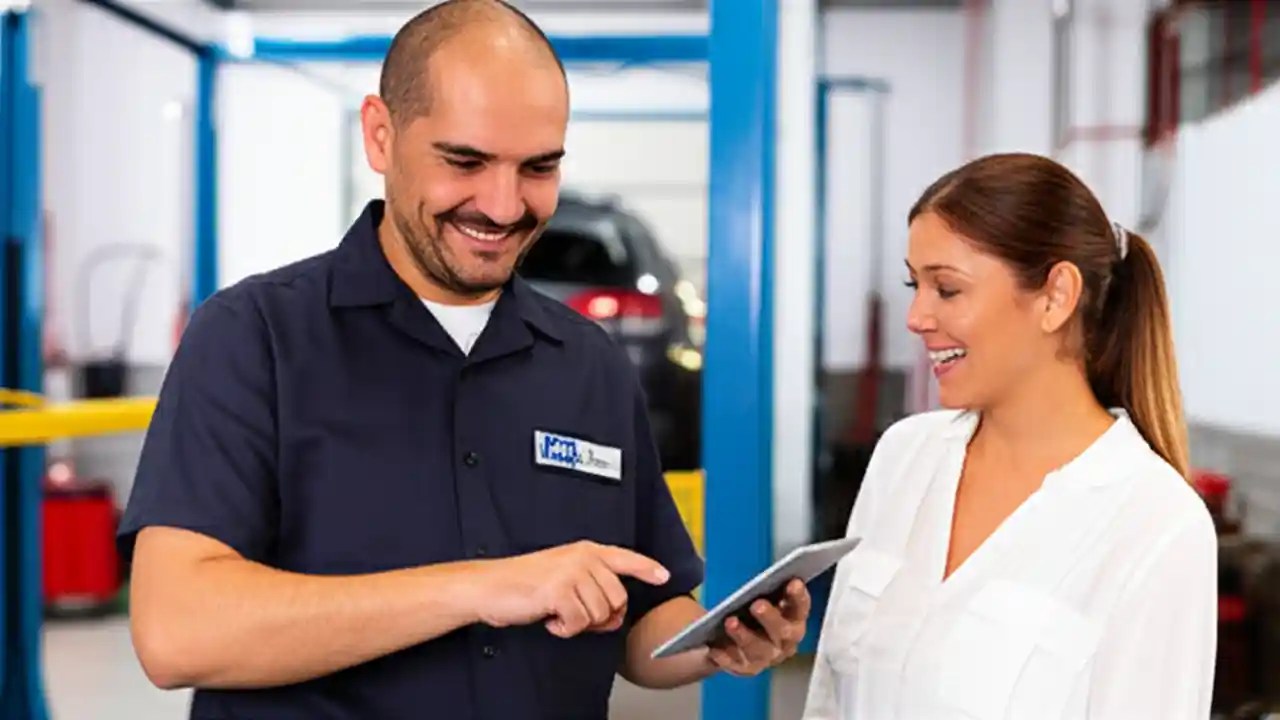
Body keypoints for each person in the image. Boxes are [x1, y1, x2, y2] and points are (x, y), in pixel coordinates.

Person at [118, 1, 810, 718]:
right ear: (380, 136)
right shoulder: (253, 337)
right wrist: (482, 586)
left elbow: (639, 624)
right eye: (466, 161)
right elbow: (177, 632)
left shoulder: (588, 365)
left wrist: (717, 639)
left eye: (538, 168)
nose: (505, 205)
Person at [801, 153, 1217, 720]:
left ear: (1055, 297)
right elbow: (829, 696)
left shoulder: (1156, 523)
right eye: (913, 285)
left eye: (946, 289)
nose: (917, 316)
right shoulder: (905, 455)